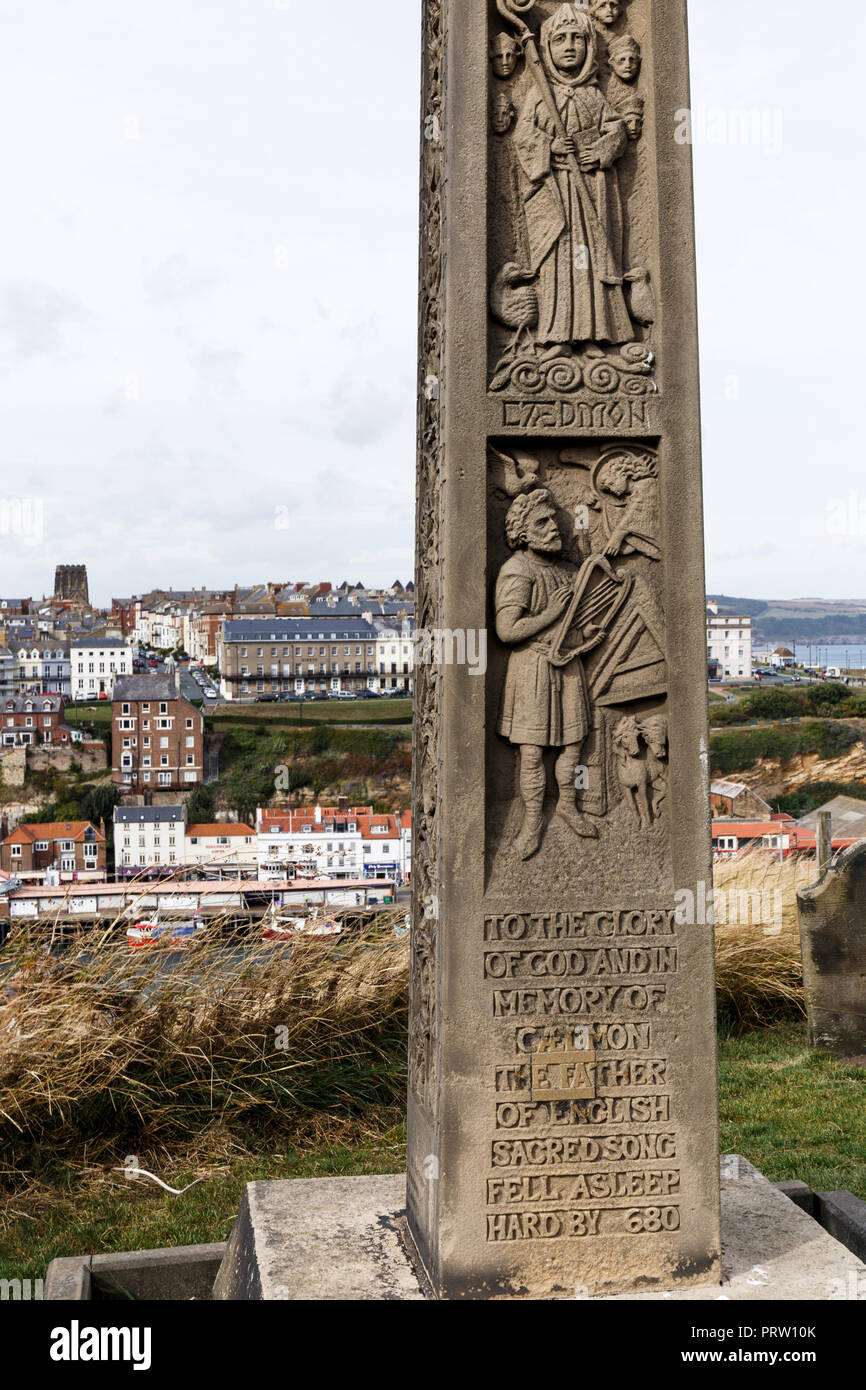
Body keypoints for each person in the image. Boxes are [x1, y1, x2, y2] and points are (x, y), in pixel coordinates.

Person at [513, 4, 633, 352]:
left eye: (577, 39)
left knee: (592, 261)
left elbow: (616, 130)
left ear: (589, 46)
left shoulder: (593, 96)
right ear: (547, 48)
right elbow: (523, 137)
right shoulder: (540, 96)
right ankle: (557, 337)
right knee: (560, 262)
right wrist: (550, 147)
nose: (569, 46)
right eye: (560, 39)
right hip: (555, 193)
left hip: (591, 192)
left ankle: (595, 335)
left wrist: (601, 149)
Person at [495, 489, 598, 860]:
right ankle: (532, 823)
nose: (553, 527)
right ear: (523, 532)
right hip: (533, 669)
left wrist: (584, 636)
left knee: (574, 744)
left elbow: (574, 618)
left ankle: (569, 805)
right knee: (533, 752)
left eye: (554, 519)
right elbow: (507, 630)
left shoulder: (567, 571)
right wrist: (551, 615)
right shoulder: (517, 570)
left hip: (568, 664)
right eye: (542, 522)